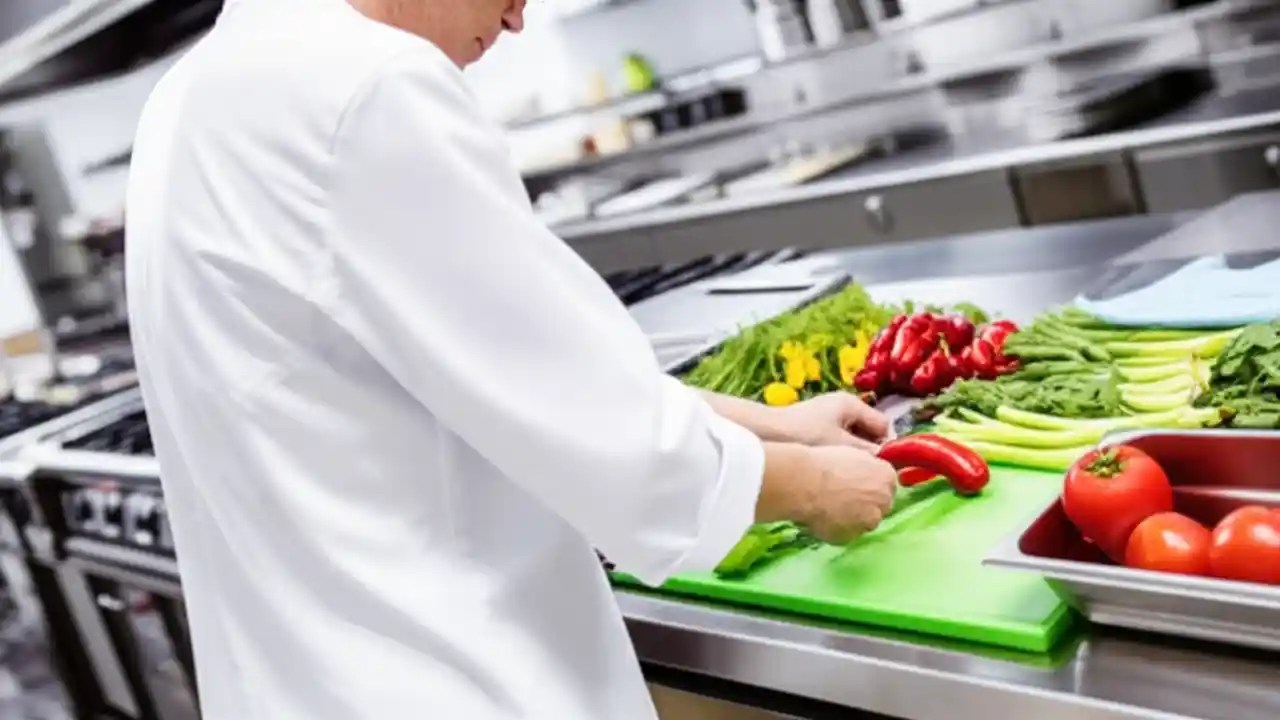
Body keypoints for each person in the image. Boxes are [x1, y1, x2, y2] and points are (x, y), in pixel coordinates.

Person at [124, 0, 898, 718]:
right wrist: (811, 484)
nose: (520, 16)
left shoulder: (198, 91)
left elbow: (505, 376)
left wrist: (778, 427)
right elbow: (609, 432)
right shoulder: (364, 87)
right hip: (449, 681)